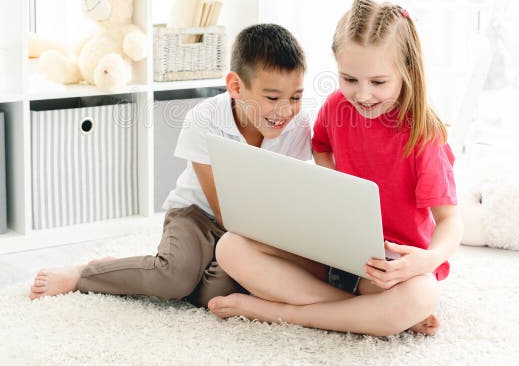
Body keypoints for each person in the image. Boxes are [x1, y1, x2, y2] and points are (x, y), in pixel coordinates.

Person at [208, 0, 462, 337]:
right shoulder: (337, 106)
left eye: (378, 82)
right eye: (349, 79)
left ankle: (281, 312)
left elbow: (450, 220)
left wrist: (426, 261)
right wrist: (331, 184)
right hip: (333, 251)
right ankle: (361, 313)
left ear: (406, 70)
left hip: (386, 272)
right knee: (230, 246)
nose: (363, 94)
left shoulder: (423, 133)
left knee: (421, 295)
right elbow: (322, 143)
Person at [29, 24, 312, 307]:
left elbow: (289, 196)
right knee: (175, 277)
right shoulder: (205, 119)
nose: (285, 110)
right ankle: (85, 274)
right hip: (198, 215)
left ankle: (138, 269)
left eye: (296, 97)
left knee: (216, 294)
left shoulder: (297, 128)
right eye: (272, 98)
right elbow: (223, 211)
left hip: (250, 227)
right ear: (236, 87)